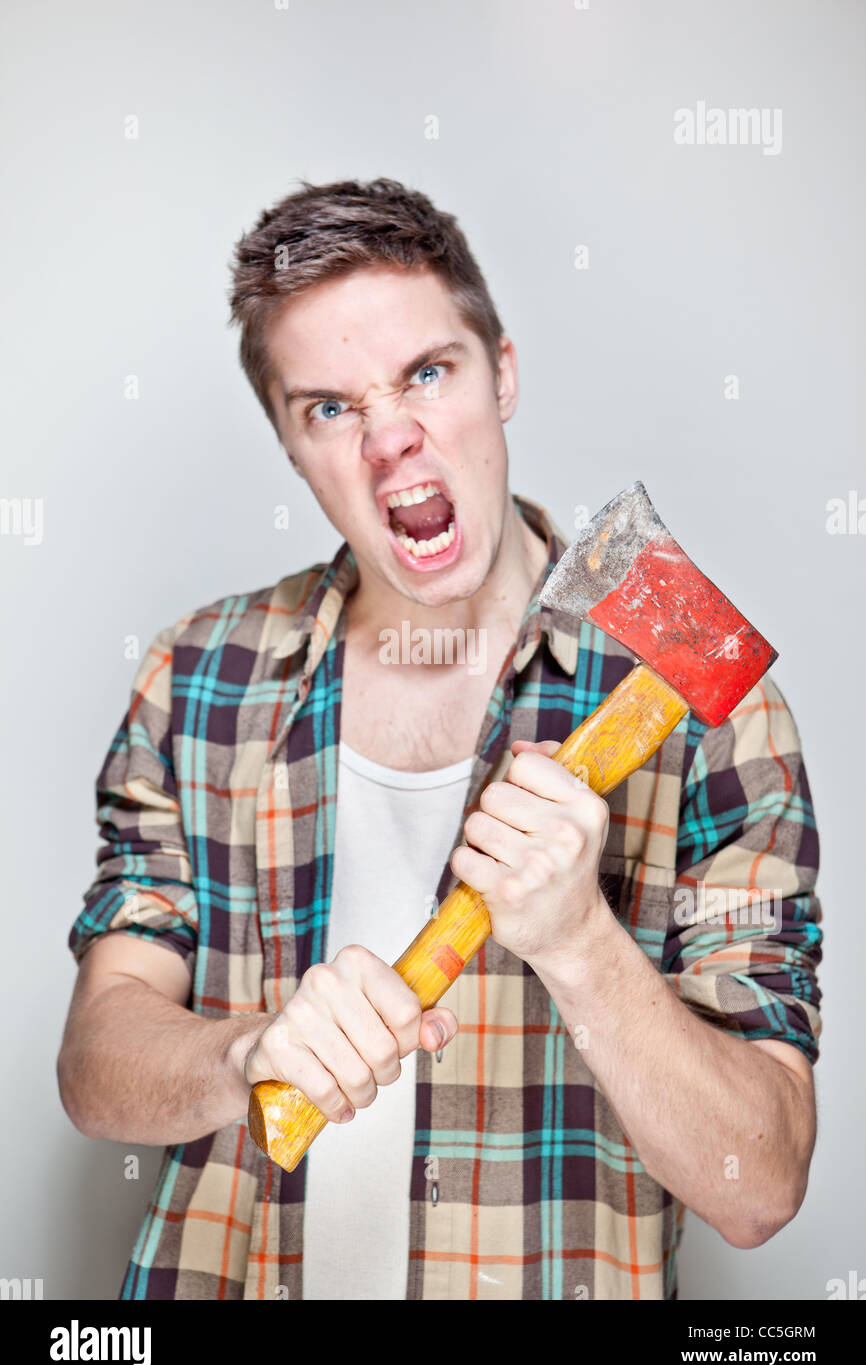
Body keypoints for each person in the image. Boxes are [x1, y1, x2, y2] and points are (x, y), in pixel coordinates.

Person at [57, 178, 822, 1301]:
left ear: (500, 372)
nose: (391, 437)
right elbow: (94, 1070)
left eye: (426, 372)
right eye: (328, 406)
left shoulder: (709, 714)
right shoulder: (197, 677)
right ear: (286, 443)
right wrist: (243, 1053)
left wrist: (578, 941)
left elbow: (757, 1183)